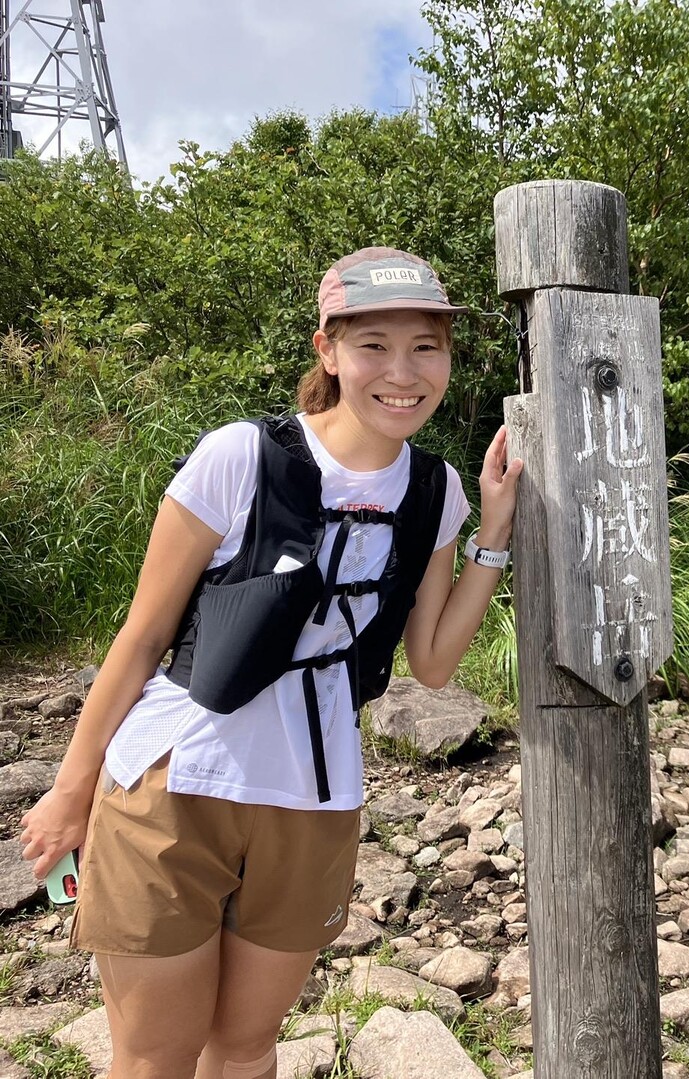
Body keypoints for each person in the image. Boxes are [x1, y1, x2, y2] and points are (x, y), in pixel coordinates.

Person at [18, 247, 521, 1079]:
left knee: (247, 1048)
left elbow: (431, 663)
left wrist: (492, 536)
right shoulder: (239, 455)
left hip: (313, 797)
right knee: (153, 1056)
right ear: (327, 350)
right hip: (176, 784)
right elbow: (142, 638)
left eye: (426, 346)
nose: (403, 372)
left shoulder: (436, 491)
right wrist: (72, 791)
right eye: (374, 345)